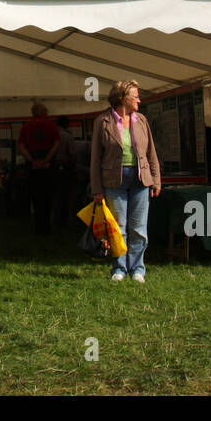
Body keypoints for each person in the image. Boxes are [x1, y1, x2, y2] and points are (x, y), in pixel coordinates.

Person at [90, 80, 162, 283]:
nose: (139, 99)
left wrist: (156, 180)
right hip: (114, 181)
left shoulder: (142, 120)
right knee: (118, 228)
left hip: (140, 180)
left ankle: (137, 268)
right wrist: (97, 188)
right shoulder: (102, 122)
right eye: (135, 96)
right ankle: (119, 268)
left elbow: (151, 153)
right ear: (123, 99)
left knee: (138, 228)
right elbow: (95, 159)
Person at [17, 102, 60, 234]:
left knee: (35, 197)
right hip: (48, 162)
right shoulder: (51, 126)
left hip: (32, 163)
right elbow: (56, 144)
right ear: (44, 112)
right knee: (48, 196)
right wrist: (46, 160)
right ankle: (47, 226)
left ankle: (38, 226)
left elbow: (21, 146)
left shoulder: (26, 126)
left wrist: (32, 160)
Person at [52, 116, 78, 227]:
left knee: (56, 195)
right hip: (66, 168)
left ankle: (56, 218)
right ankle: (68, 219)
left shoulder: (52, 134)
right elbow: (72, 153)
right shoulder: (67, 136)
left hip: (53, 167)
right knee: (68, 195)